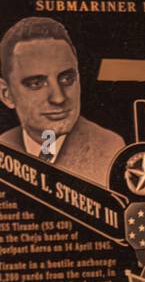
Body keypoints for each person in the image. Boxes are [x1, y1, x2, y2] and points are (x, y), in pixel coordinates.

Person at [0, 17, 124, 186]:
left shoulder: (110, 150)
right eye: (36, 83)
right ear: (6, 94)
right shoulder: (4, 147)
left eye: (66, 79)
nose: (58, 98)